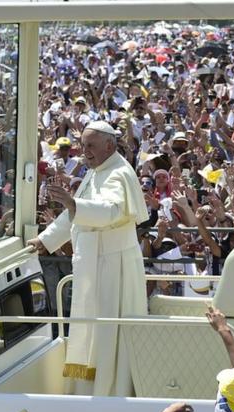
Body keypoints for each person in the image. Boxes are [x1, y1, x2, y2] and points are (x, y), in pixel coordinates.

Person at [26, 120, 148, 396]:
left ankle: (111, 391)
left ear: (109, 145)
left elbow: (111, 211)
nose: (85, 151)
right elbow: (74, 217)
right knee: (92, 328)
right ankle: (91, 389)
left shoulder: (118, 173)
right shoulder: (96, 172)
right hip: (95, 264)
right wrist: (45, 240)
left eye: (90, 146)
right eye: (82, 145)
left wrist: (72, 203)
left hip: (112, 267)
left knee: (107, 332)